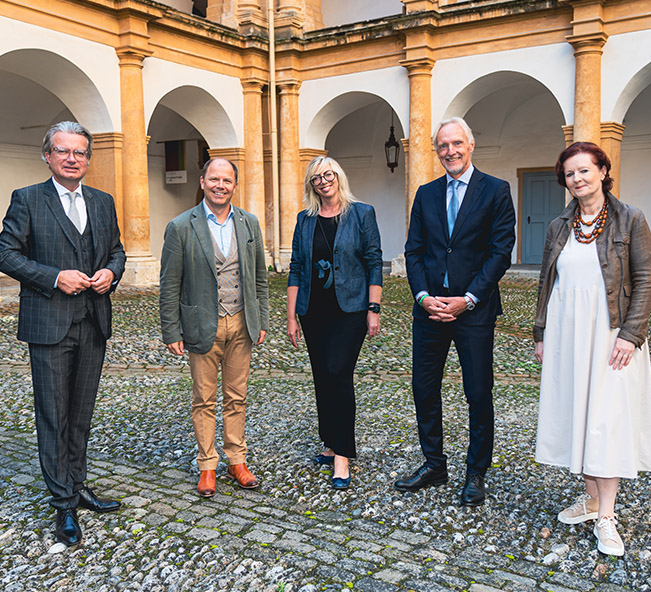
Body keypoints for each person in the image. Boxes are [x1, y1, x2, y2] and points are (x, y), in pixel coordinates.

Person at [0, 121, 126, 547]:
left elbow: (118, 251)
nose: (73, 159)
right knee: (54, 415)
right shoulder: (28, 199)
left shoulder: (103, 202)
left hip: (92, 322)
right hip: (49, 325)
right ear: (47, 155)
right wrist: (53, 278)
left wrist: (111, 272)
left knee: (81, 413)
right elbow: (5, 255)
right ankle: (63, 503)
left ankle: (77, 483)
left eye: (81, 152)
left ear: (88, 158)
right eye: (64, 151)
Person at [533, 141, 651, 557]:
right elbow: (546, 283)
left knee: (606, 419)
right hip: (567, 333)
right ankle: (589, 500)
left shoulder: (631, 219)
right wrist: (541, 333)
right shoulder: (558, 226)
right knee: (579, 413)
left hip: (610, 335)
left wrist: (631, 334)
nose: (578, 179)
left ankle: (606, 515)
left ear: (603, 171)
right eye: (570, 174)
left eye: (585, 170)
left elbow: (644, 281)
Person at [398, 117, 516, 506]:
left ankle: (475, 472)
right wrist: (421, 296)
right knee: (423, 389)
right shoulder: (426, 193)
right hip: (429, 308)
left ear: (471, 144)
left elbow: (501, 253)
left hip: (474, 310)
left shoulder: (496, 191)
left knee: (478, 392)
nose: (450, 151)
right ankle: (434, 464)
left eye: (456, 143)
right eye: (442, 145)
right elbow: (414, 251)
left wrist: (469, 299)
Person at [159, 157, 269, 498]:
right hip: (200, 323)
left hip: (241, 322)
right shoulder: (180, 226)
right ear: (203, 181)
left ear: (235, 185)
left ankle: (236, 459)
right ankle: (207, 465)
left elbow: (260, 278)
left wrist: (261, 319)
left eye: (227, 180)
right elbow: (169, 284)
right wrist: (171, 331)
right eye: (214, 179)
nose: (221, 185)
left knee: (237, 397)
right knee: (203, 399)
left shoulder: (249, 224)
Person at [286, 156, 383, 490]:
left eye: (328, 174)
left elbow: (373, 261)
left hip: (351, 309)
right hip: (314, 310)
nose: (323, 181)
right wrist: (291, 317)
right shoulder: (305, 219)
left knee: (338, 373)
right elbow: (297, 266)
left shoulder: (361, 213)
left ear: (339, 176)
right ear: (311, 185)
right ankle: (329, 442)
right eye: (316, 178)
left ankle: (342, 453)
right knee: (321, 376)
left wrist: (374, 308)